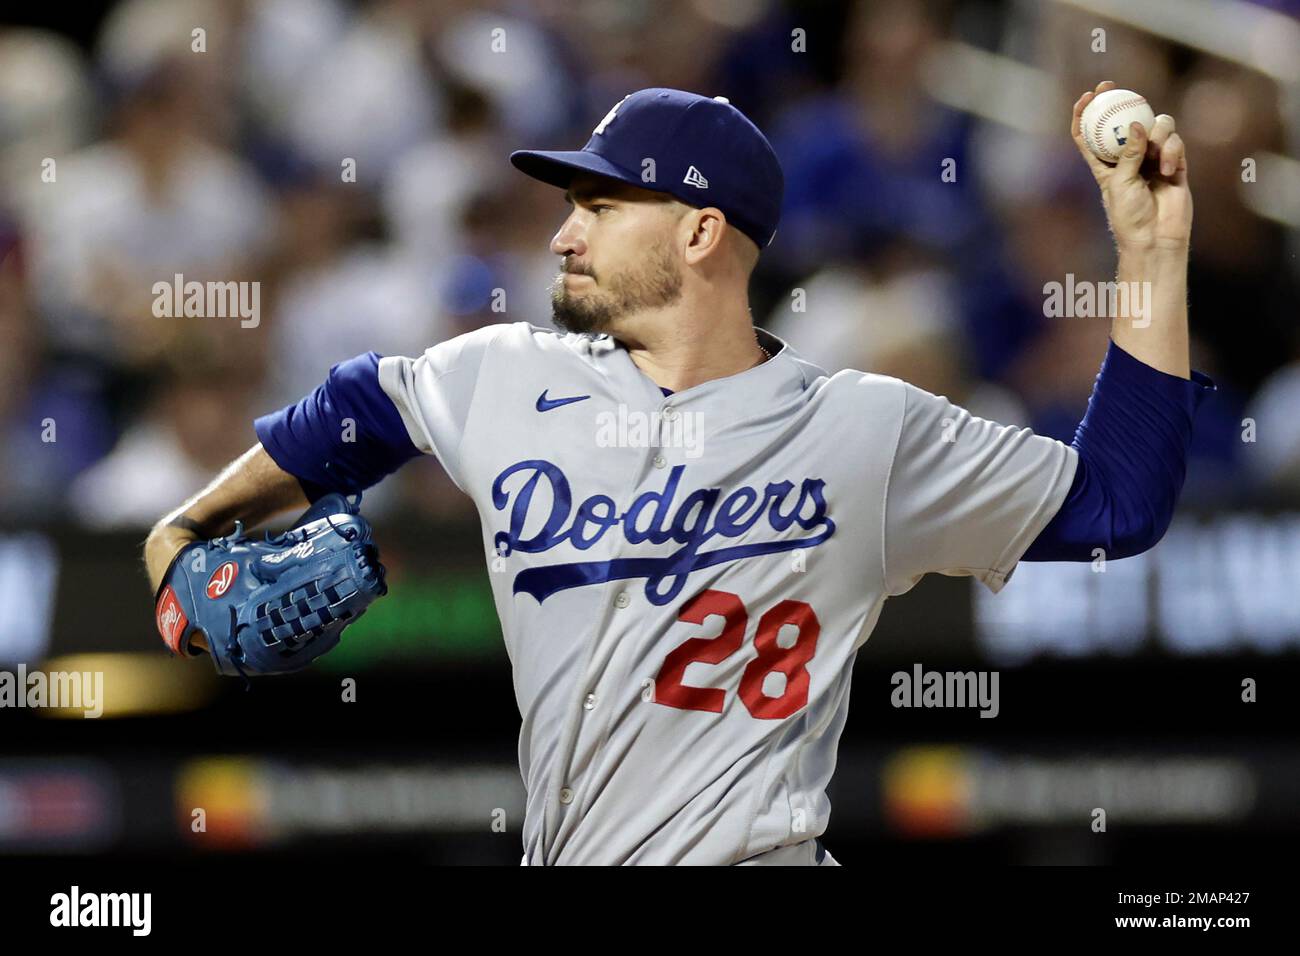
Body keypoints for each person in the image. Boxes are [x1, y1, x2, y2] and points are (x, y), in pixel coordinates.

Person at [144, 85, 1212, 865]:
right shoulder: (503, 376)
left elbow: (1116, 502)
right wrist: (177, 547)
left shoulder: (860, 429)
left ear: (702, 229)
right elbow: (355, 408)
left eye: (601, 206)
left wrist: (1148, 259)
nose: (563, 233)